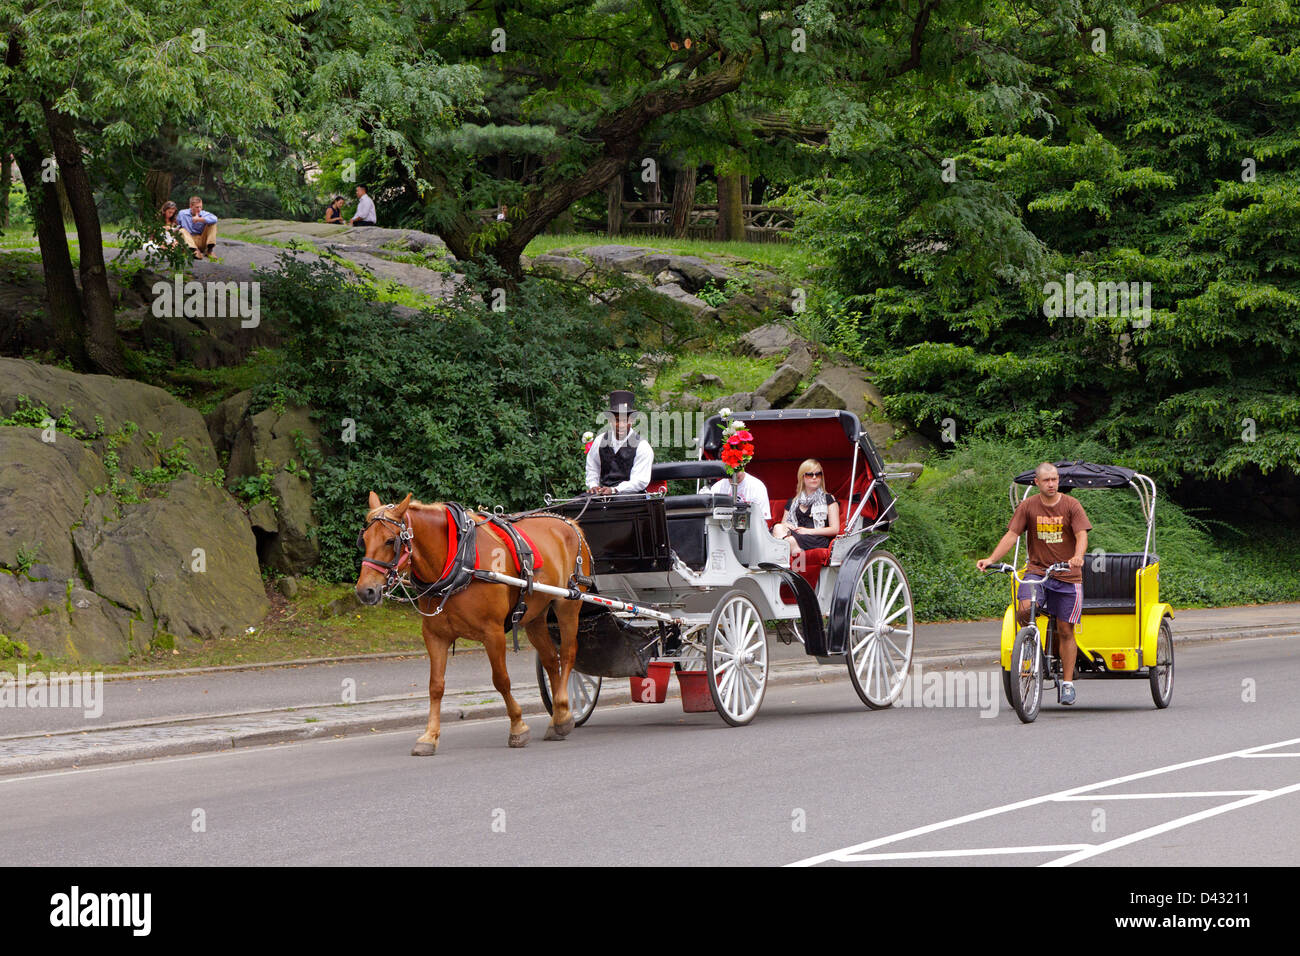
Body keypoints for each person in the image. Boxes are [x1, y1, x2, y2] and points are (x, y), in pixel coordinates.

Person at [976, 462, 1092, 705]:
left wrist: (1078, 556)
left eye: (1055, 479)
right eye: (1046, 480)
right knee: (1024, 609)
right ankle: (1031, 643)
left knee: (1065, 630)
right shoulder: (1028, 506)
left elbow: (1082, 534)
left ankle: (1068, 684)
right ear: (1037, 483)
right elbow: (1012, 535)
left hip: (1067, 575)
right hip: (1037, 572)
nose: (1052, 483)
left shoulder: (1071, 505)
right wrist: (992, 559)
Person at [585, 390, 654, 495]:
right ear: (610, 420)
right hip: (602, 494)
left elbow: (640, 481)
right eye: (617, 420)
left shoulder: (642, 447)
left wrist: (614, 490)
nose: (621, 425)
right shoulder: (600, 441)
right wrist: (593, 485)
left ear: (631, 421)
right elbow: (592, 466)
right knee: (575, 505)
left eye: (625, 421)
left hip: (630, 496)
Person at [771, 459, 840, 557]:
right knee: (778, 528)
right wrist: (788, 525)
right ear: (802, 477)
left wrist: (808, 531)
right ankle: (792, 560)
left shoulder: (828, 499)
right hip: (795, 534)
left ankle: (797, 567)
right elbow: (784, 524)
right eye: (810, 474)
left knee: (789, 540)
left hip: (816, 537)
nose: (814, 477)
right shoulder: (793, 501)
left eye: (818, 474)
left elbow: (835, 529)